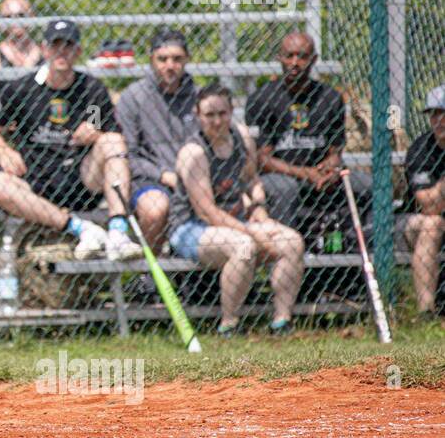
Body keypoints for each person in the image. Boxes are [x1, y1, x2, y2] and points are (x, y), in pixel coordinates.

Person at [0, 18, 143, 261]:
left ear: (78, 51)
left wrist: (94, 134)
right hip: (35, 181)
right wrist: (4, 152)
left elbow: (110, 134)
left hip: (80, 179)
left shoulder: (91, 89)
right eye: (55, 46)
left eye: (68, 46)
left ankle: (118, 232)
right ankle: (80, 228)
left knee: (113, 142)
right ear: (44, 49)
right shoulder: (22, 89)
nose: (61, 52)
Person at [169, 83, 305, 336]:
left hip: (235, 221)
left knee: (292, 241)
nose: (217, 121)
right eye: (209, 115)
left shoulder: (241, 137)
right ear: (198, 116)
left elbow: (252, 180)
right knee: (243, 247)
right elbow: (206, 212)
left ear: (231, 112)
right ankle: (228, 324)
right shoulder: (194, 152)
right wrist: (254, 234)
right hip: (192, 228)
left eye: (222, 113)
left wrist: (259, 209)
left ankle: (281, 321)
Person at [245, 31, 370, 235]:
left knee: (367, 185)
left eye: (302, 56)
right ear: (279, 58)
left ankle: (361, 252)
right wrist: (305, 174)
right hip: (280, 175)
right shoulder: (262, 98)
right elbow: (262, 160)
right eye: (289, 55)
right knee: (286, 189)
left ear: (314, 60)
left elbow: (335, 152)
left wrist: (330, 168)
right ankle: (286, 250)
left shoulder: (330, 97)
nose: (295, 62)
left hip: (320, 176)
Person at [114, 27, 199, 249]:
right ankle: (150, 275)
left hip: (195, 177)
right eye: (162, 59)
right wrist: (163, 175)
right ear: (151, 59)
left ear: (187, 59)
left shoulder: (200, 97)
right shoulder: (133, 97)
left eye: (177, 59)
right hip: (149, 178)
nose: (170, 66)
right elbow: (129, 155)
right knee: (155, 209)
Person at [401, 85, 445, 316]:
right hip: (414, 222)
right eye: (434, 114)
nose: (439, 120)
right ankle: (426, 312)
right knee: (432, 225)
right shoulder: (421, 149)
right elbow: (429, 206)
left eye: (443, 113)